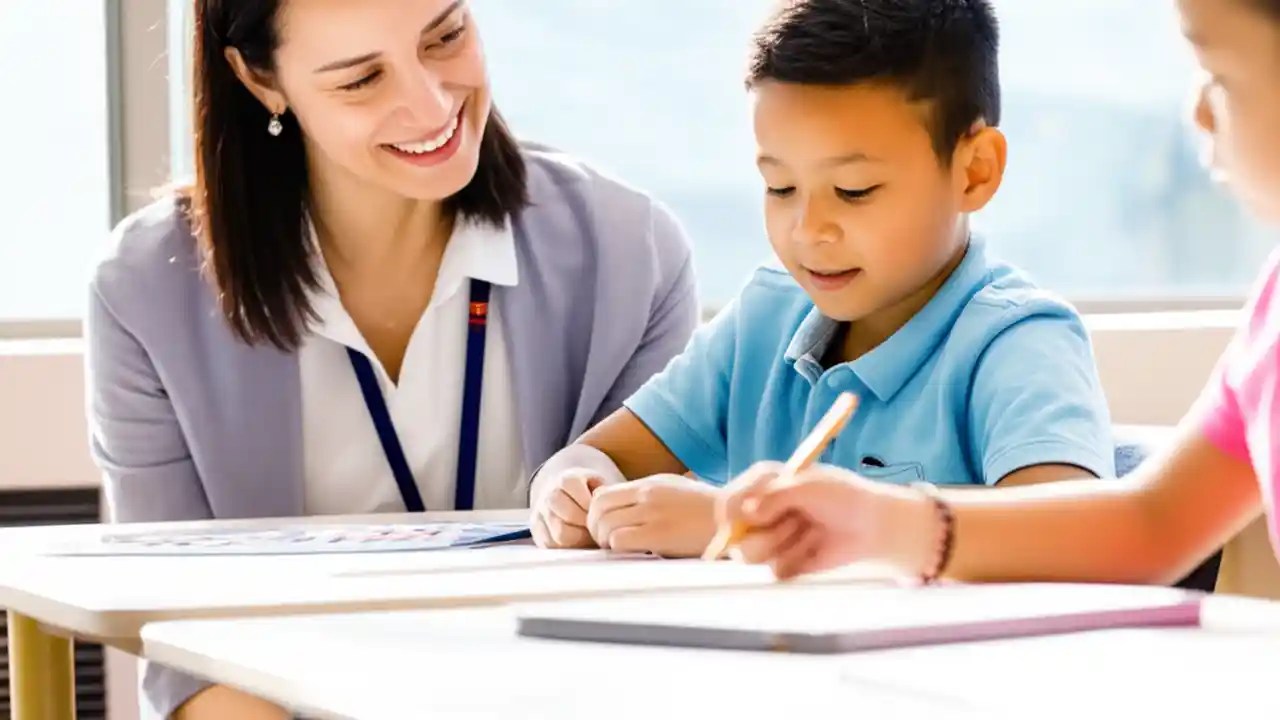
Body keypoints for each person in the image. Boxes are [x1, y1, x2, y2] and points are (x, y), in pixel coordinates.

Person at [85, 0, 697, 717]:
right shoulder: (147, 289)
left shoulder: (629, 251)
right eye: (360, 80)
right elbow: (182, 642)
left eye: (446, 36)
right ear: (260, 79)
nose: (429, 103)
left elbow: (656, 603)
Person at [719, 0, 1280, 586]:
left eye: (1218, 76)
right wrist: (879, 523)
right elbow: (1149, 525)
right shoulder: (1272, 313)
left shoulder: (1015, 333)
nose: (1196, 111)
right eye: (779, 186)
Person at [529, 0, 1114, 559]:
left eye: (854, 191)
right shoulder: (765, 317)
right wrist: (572, 487)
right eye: (780, 187)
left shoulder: (1019, 342)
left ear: (974, 171)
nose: (808, 231)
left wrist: (737, 523)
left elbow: (1074, 537)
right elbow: (597, 456)